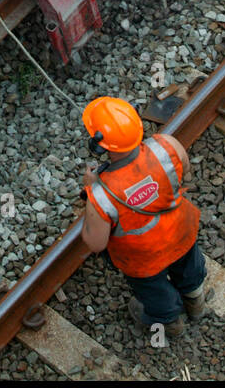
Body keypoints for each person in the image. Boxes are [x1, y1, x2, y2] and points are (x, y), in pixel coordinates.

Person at [80, 96, 213, 336]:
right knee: (190, 270)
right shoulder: (167, 145)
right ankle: (196, 301)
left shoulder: (101, 195)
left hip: (143, 259)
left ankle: (168, 322)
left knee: (156, 293)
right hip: (181, 232)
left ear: (99, 145)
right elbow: (185, 170)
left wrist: (93, 188)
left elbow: (95, 243)